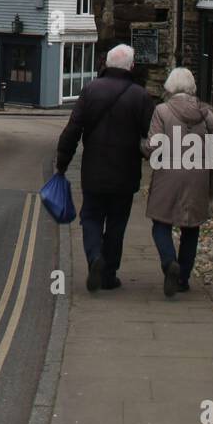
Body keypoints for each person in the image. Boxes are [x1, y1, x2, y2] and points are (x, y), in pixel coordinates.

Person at [55, 44, 155, 292]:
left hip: (94, 170)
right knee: (117, 223)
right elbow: (152, 135)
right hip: (126, 172)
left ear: (106, 64)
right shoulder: (140, 96)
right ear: (131, 66)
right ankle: (109, 274)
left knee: (90, 217)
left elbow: (73, 130)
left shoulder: (89, 91)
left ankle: (94, 258)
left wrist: (62, 163)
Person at [143, 67, 213, 297]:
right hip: (198, 175)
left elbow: (154, 147)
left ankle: (169, 263)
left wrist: (142, 147)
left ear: (170, 86)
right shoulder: (207, 115)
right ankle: (183, 278)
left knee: (161, 224)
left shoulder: (162, 111)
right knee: (191, 228)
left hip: (169, 174)